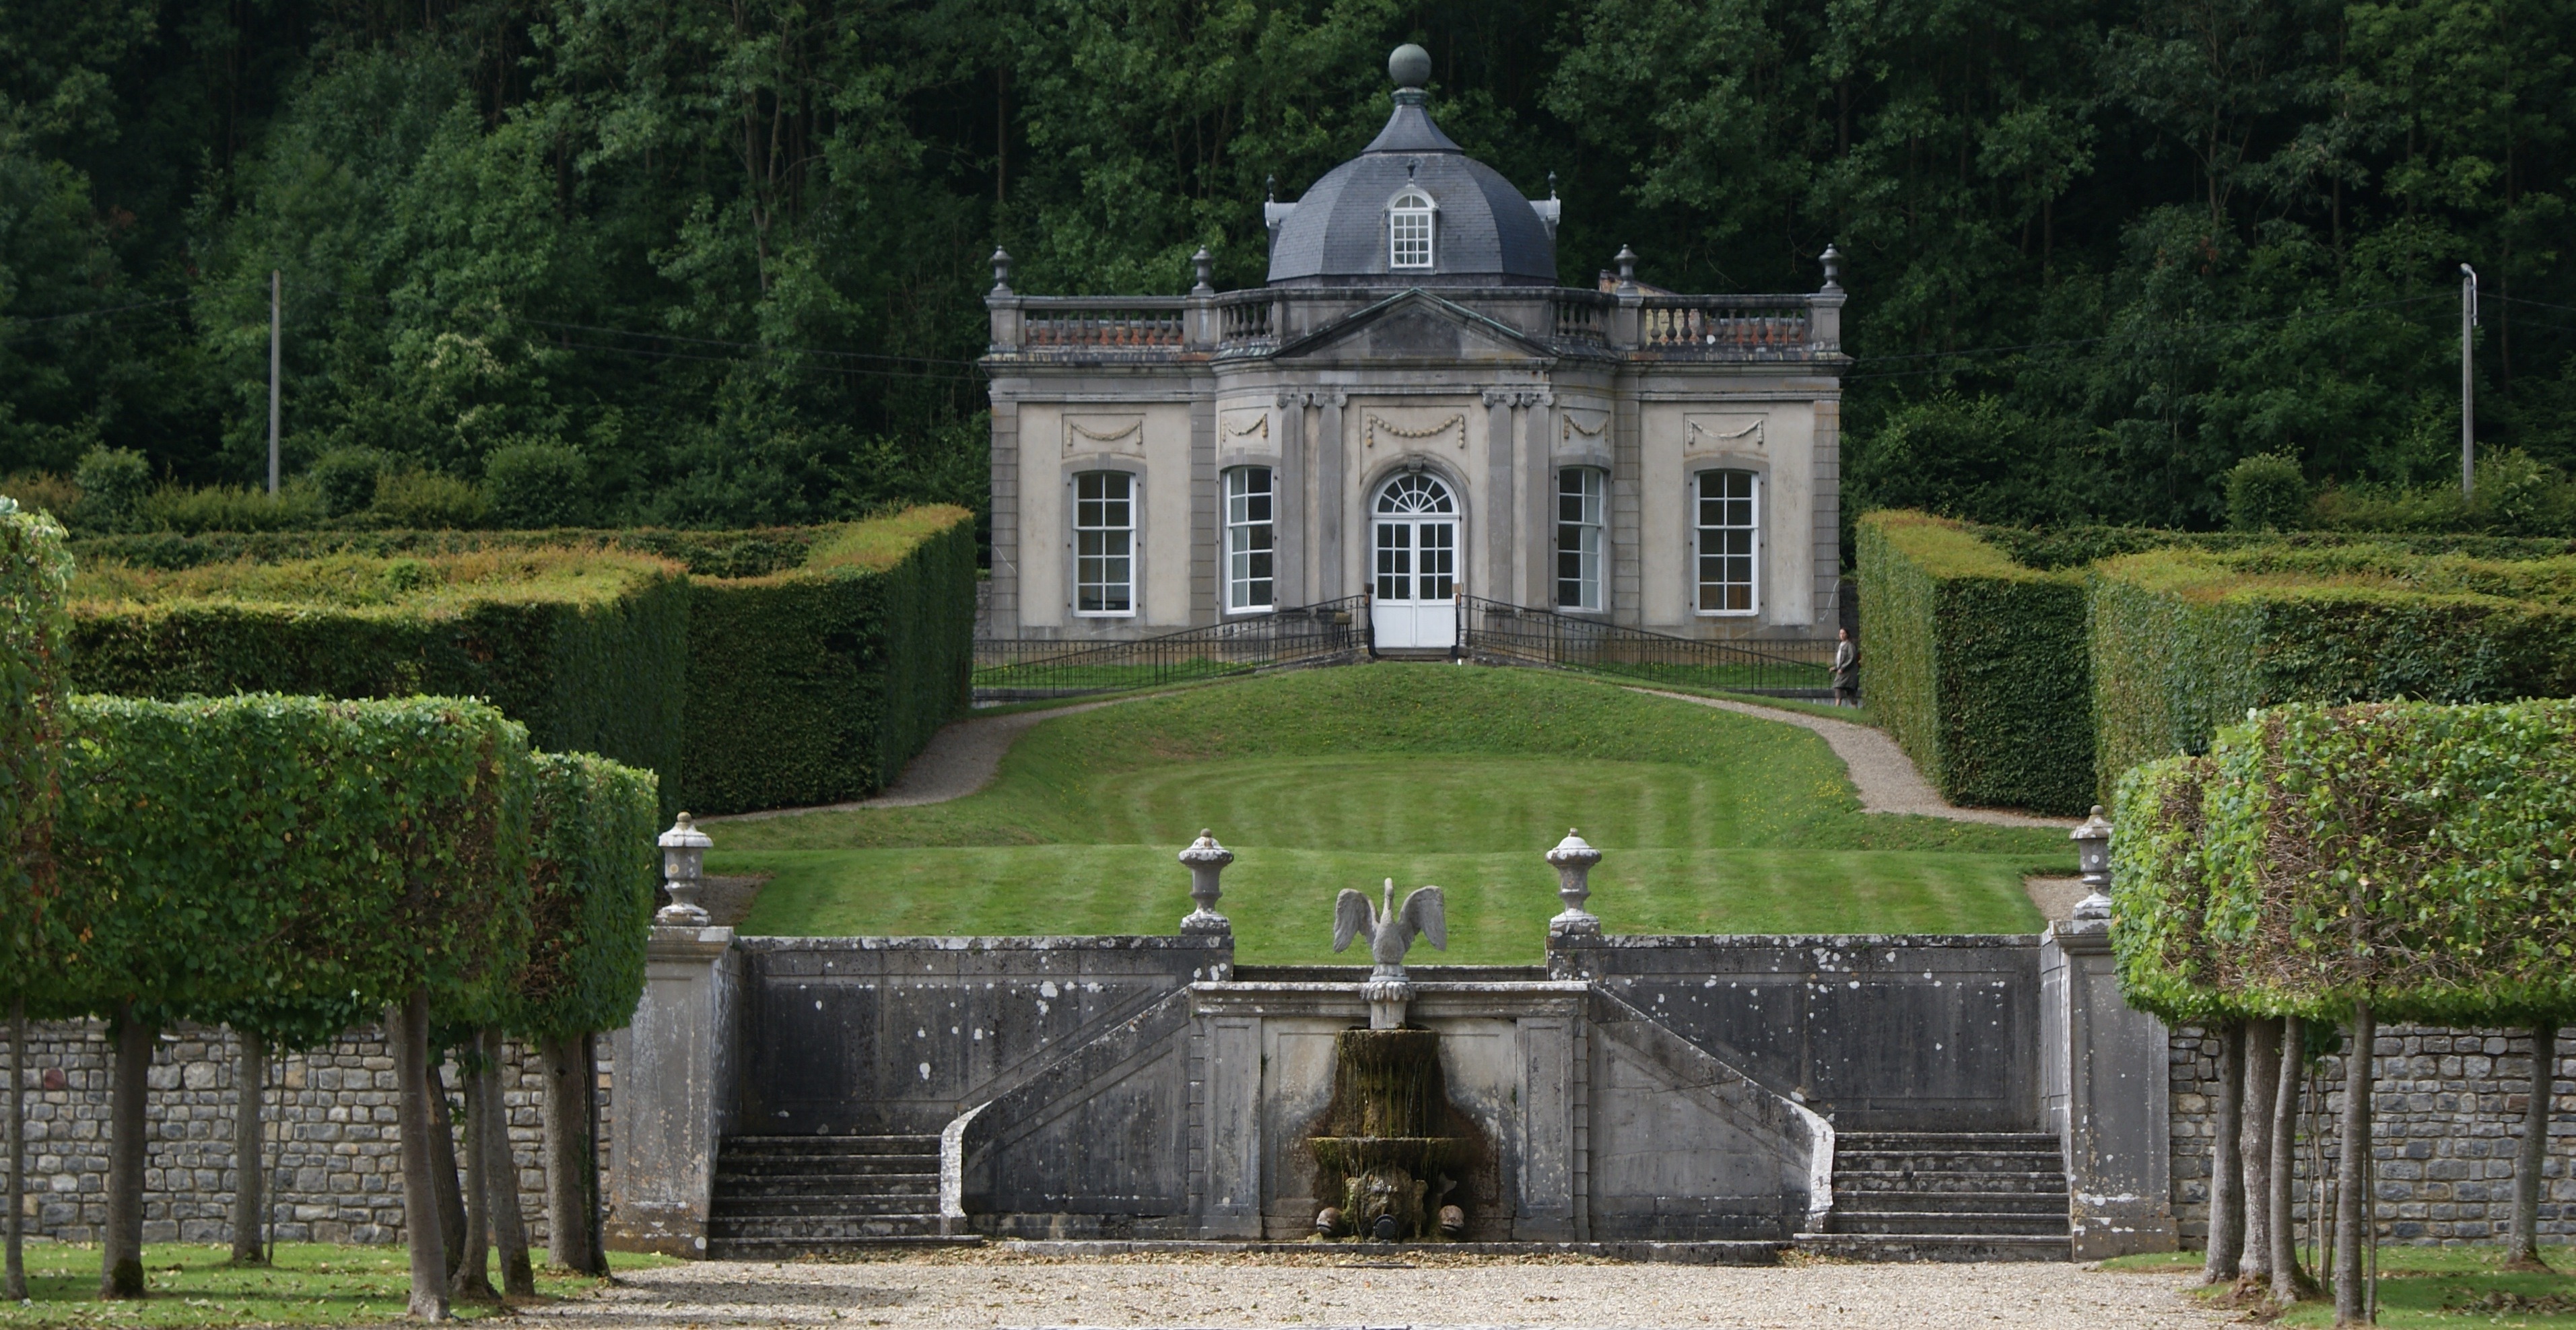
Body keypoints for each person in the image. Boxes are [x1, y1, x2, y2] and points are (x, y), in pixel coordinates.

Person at [1831, 628, 1859, 707]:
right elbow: (1841, 660)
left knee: (1849, 693)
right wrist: (1836, 668)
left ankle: (1854, 708)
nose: (1842, 635)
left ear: (1847, 634)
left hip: (1848, 674)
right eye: (1840, 634)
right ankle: (1837, 708)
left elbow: (1851, 658)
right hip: (1842, 672)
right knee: (1838, 689)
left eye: (1843, 633)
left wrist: (1843, 668)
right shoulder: (1841, 645)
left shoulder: (1850, 645)